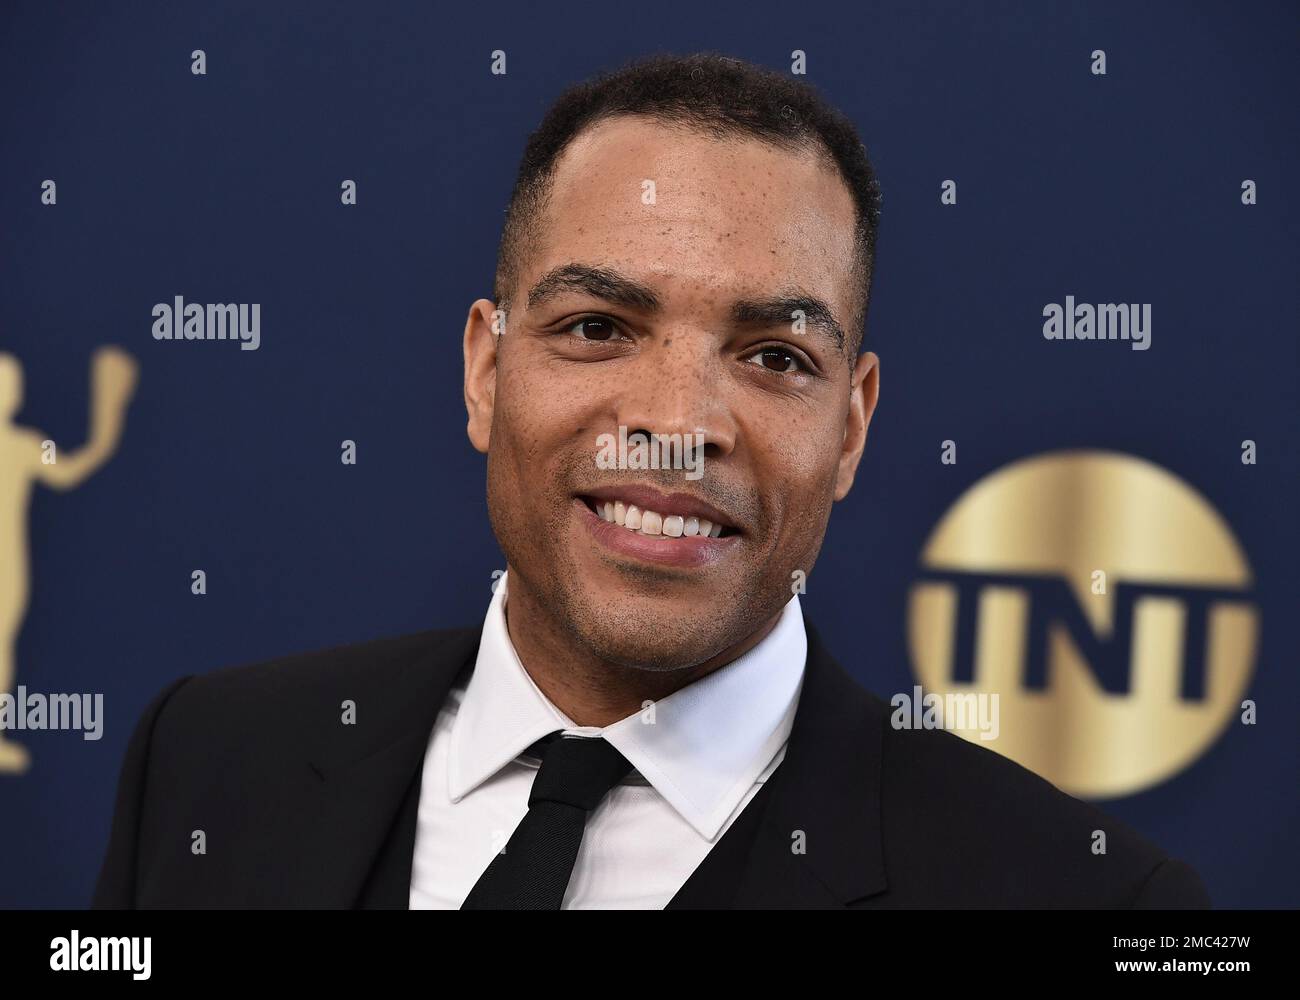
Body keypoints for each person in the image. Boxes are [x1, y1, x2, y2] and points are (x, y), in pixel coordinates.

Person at [92, 53, 1208, 909]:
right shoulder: (206, 762)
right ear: (486, 370)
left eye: (774, 356)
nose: (676, 429)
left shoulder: (1081, 899)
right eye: (596, 326)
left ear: (853, 426)